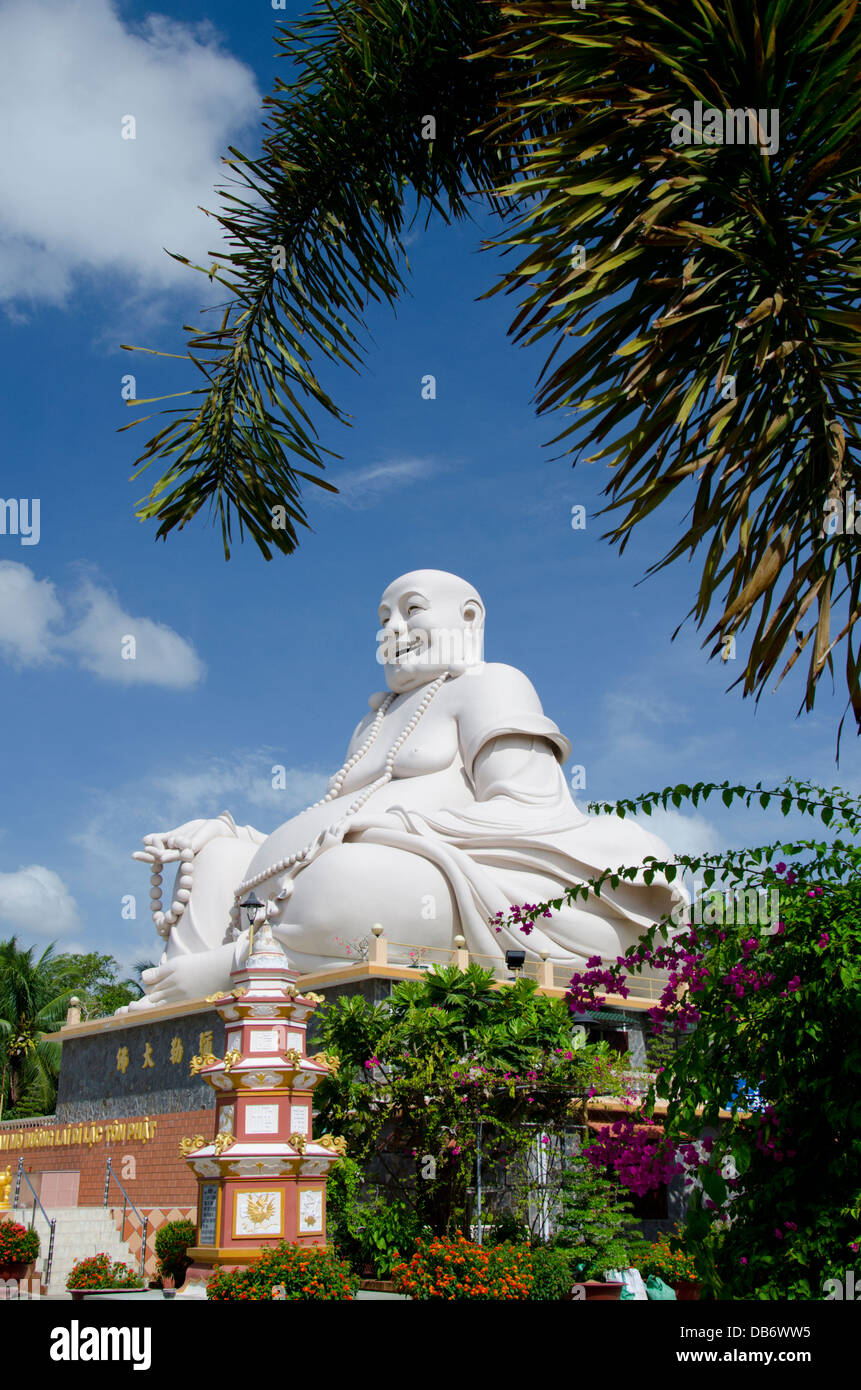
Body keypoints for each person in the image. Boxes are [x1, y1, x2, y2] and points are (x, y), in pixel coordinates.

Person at [128, 569, 682, 1008]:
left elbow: (531, 809)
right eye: (383, 617)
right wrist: (239, 834)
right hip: (347, 865)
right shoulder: (374, 721)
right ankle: (169, 1001)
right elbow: (332, 812)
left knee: (344, 881)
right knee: (220, 857)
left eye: (411, 610)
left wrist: (398, 828)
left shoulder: (491, 683)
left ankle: (231, 968)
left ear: (468, 617)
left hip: (447, 872)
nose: (391, 628)